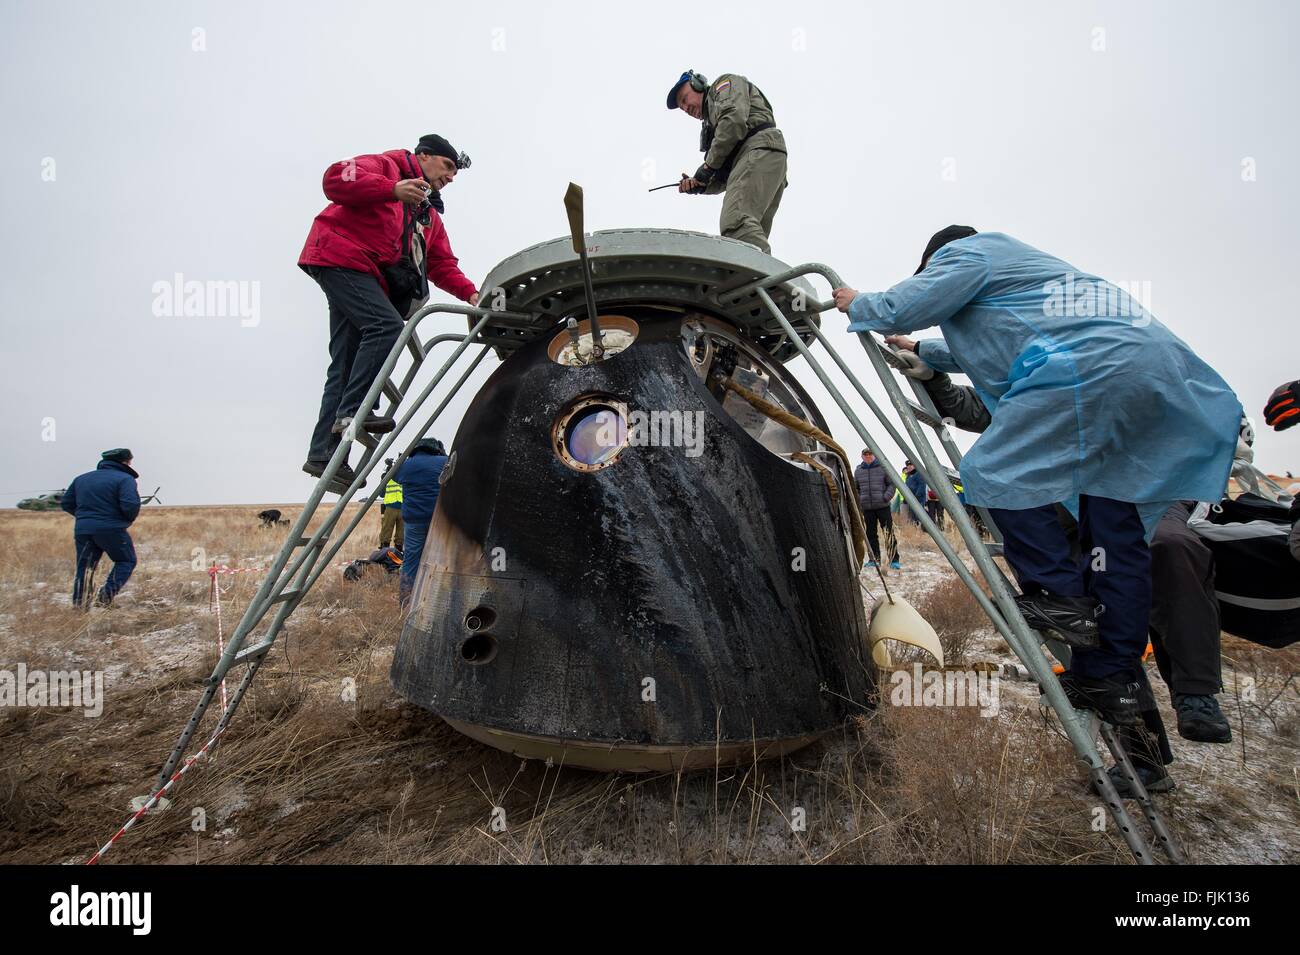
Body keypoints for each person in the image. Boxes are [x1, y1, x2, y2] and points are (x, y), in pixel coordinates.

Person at [833, 226, 1243, 725]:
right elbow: (981, 342)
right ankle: (1112, 676)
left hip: (1090, 371)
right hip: (1155, 377)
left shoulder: (972, 250)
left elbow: (905, 304)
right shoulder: (1041, 287)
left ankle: (1058, 598)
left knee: (989, 469)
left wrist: (859, 302)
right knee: (1113, 537)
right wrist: (923, 351)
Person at [299, 134, 479, 493]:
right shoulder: (386, 168)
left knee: (346, 361)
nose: (450, 177)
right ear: (423, 156)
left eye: (455, 173)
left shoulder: (426, 215)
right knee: (385, 327)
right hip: (340, 258)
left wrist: (472, 293)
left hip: (366, 278)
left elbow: (441, 263)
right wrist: (391, 189)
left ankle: (324, 455)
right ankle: (352, 413)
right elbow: (335, 178)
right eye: (447, 167)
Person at [666, 70, 788, 254]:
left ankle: (764, 282)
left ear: (697, 85)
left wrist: (708, 166)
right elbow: (727, 174)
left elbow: (733, 120)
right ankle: (766, 280)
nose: (686, 108)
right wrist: (701, 184)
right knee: (749, 237)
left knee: (735, 223)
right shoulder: (712, 123)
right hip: (763, 159)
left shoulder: (722, 85)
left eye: (684, 99)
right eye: (682, 109)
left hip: (758, 151)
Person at [61, 448, 141, 608]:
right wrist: (124, 519)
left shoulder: (81, 479)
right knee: (126, 560)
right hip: (111, 529)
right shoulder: (125, 479)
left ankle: (80, 606)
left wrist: (85, 517)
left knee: (85, 568)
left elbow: (66, 503)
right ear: (125, 461)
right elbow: (130, 505)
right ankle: (105, 596)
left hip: (83, 530)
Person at [396, 438, 449, 605]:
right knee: (441, 559)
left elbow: (396, 477)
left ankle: (406, 601)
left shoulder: (405, 464)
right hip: (438, 519)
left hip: (413, 520)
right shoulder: (443, 461)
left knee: (411, 560)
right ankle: (438, 600)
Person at [854, 449, 900, 570]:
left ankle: (894, 560)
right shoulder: (858, 471)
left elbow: (892, 484)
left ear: (874, 455)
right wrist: (860, 499)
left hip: (882, 506)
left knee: (888, 532)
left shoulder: (883, 468)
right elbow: (855, 487)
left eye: (870, 454)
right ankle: (874, 559)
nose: (868, 456)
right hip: (867, 508)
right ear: (862, 456)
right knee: (870, 534)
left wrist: (885, 497)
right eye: (865, 454)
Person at [379, 459, 404, 551]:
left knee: (388, 532)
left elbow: (381, 494)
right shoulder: (404, 476)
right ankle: (393, 552)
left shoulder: (387, 476)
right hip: (399, 508)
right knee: (397, 534)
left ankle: (387, 551)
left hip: (394, 508)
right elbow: (381, 494)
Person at [902, 461, 926, 526]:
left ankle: (920, 529)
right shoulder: (908, 476)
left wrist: (916, 496)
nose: (909, 467)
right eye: (908, 465)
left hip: (918, 500)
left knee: (918, 516)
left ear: (914, 466)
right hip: (910, 500)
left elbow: (922, 486)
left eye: (911, 465)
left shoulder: (919, 474)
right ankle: (914, 530)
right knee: (912, 517)